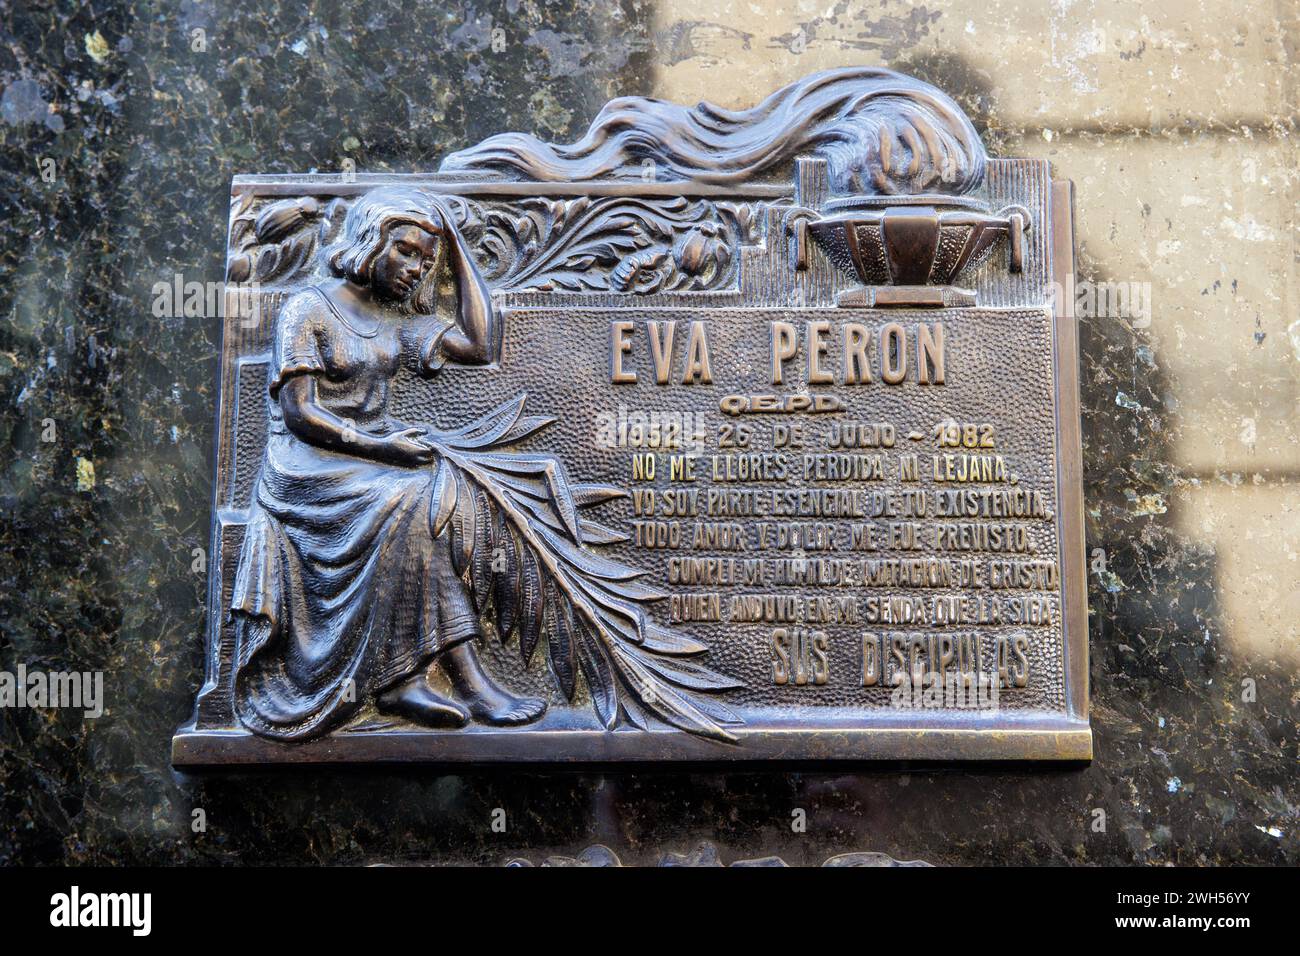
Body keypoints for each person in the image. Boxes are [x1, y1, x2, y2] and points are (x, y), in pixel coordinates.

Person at [229, 187, 547, 740]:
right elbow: (300, 413)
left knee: (429, 494)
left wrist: (456, 249)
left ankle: (410, 678)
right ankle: (455, 682)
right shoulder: (308, 309)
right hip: (305, 465)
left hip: (369, 463)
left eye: (426, 261)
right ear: (369, 243)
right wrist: (381, 448)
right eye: (405, 251)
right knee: (411, 497)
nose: (415, 269)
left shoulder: (395, 320)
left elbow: (480, 342)